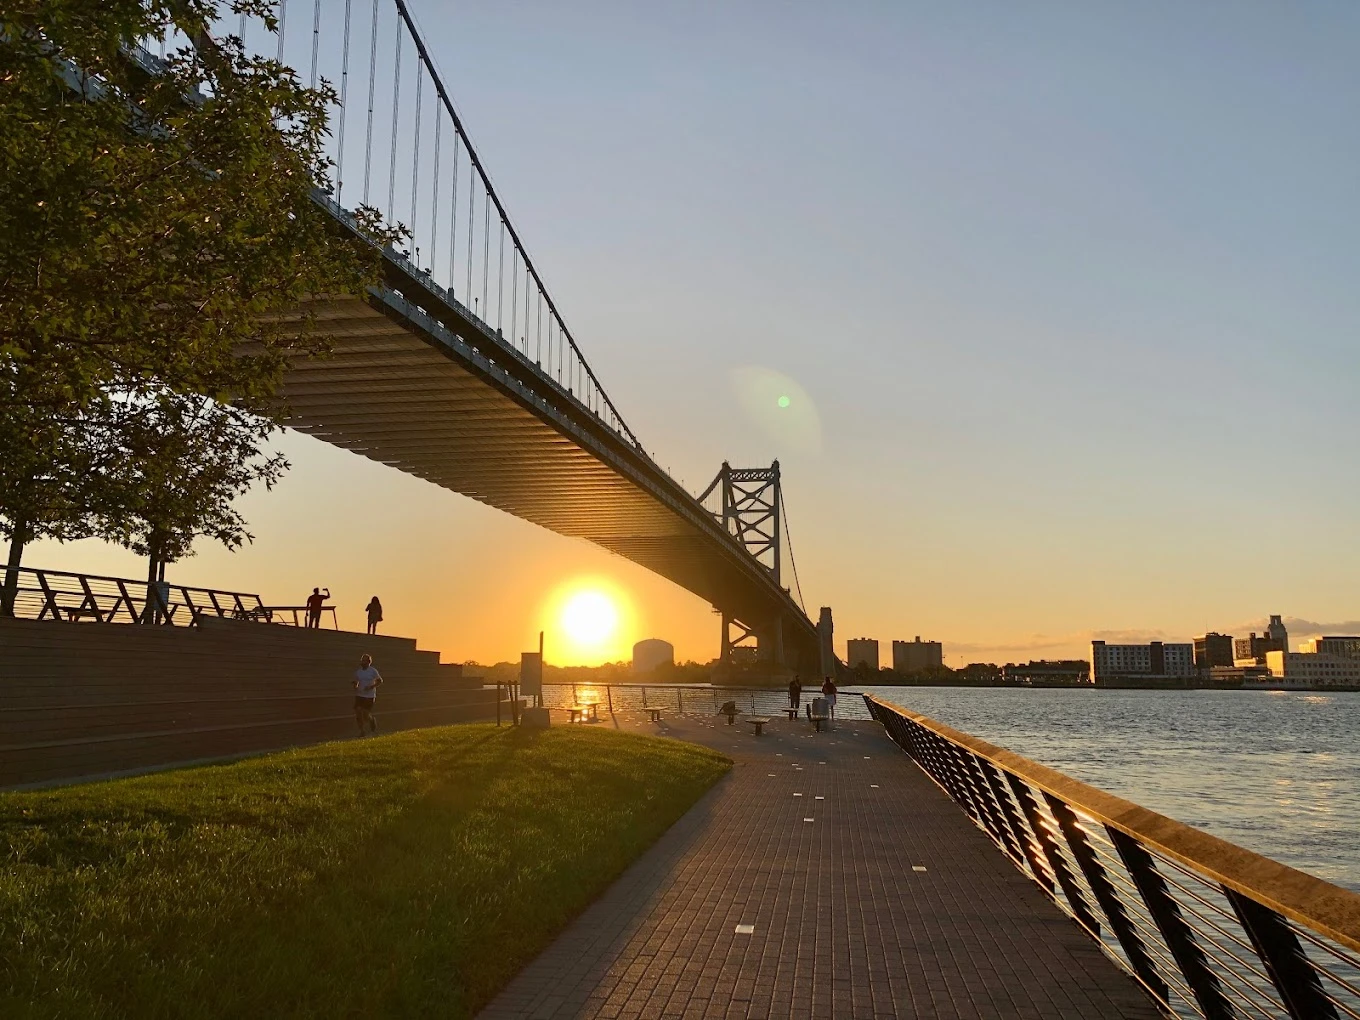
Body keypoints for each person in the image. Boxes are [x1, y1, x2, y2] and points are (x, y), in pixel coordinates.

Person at [353, 653, 383, 735]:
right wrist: (355, 686)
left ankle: (371, 720)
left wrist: (371, 687)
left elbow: (380, 681)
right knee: (358, 712)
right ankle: (362, 731)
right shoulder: (358, 672)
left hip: (369, 696)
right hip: (359, 695)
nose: (362, 662)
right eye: (362, 660)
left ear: (368, 662)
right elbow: (356, 681)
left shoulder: (373, 671)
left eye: (364, 661)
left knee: (365, 714)